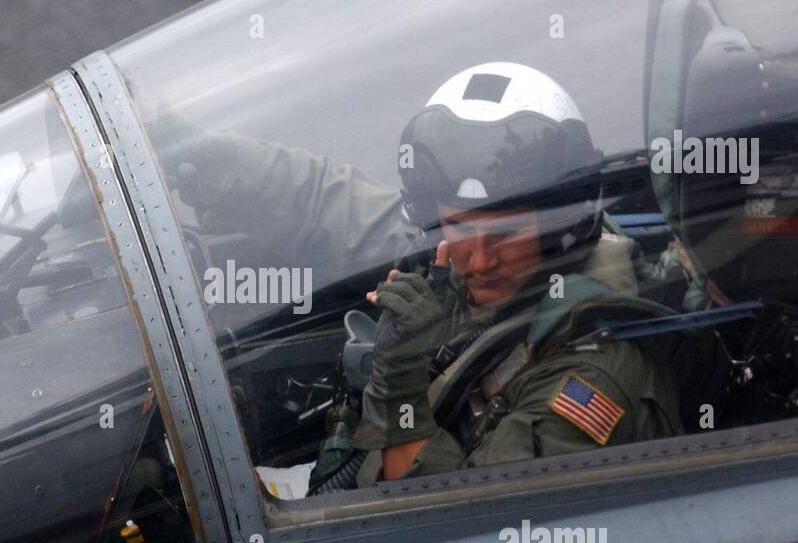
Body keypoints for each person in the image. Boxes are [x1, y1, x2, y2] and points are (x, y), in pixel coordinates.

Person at [145, 63, 684, 488]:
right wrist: (202, 156)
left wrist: (399, 381)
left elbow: (453, 528)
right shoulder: (456, 261)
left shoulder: (593, 379)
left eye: (503, 237)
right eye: (456, 227)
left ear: (562, 228)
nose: (476, 259)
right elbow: (325, 199)